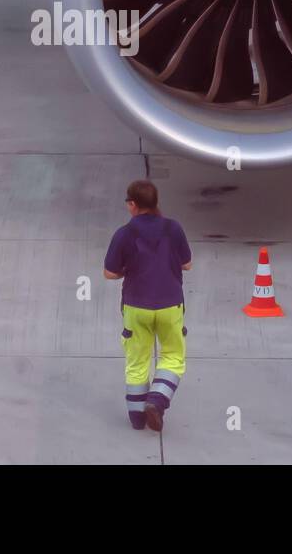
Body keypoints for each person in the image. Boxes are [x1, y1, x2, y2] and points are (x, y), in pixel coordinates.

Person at [103, 180, 192, 432]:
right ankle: (157, 400)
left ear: (132, 205)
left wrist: (128, 271)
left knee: (137, 360)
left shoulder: (124, 234)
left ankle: (137, 418)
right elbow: (187, 264)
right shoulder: (173, 229)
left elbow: (109, 273)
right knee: (173, 356)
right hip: (170, 304)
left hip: (136, 306)